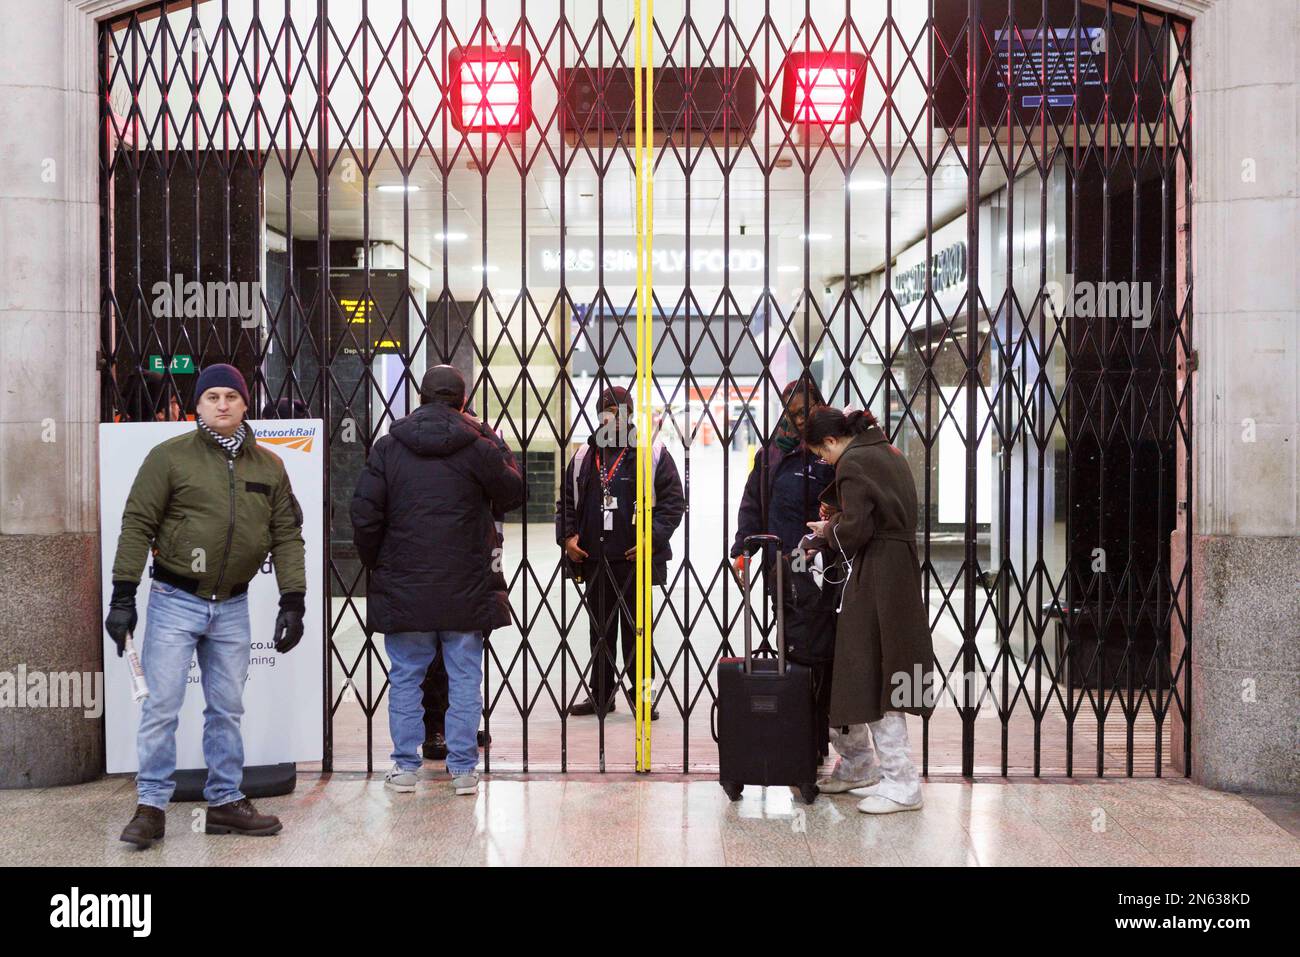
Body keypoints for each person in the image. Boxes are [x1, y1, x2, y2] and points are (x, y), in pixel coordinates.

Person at [106, 363, 307, 848]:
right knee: (161, 707)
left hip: (234, 606)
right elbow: (136, 524)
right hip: (176, 600)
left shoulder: (269, 466)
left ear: (244, 403)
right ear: (197, 405)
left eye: (231, 397)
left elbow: (286, 536)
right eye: (212, 396)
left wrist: (293, 600)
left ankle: (225, 802)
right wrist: (122, 596)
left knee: (226, 709)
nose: (222, 404)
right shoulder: (169, 458)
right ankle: (151, 806)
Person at [350, 365, 523, 795]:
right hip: (464, 583)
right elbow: (514, 494)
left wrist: (380, 563)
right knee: (464, 675)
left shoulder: (389, 447)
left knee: (406, 673)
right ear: (463, 401)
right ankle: (463, 770)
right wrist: (489, 433)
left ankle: (405, 767)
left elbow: (364, 514)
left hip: (405, 582)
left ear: (421, 397)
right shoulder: (479, 447)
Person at [802, 405, 934, 813]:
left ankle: (902, 781)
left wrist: (827, 531)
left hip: (877, 573)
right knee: (885, 669)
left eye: (821, 454)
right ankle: (875, 771)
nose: (824, 462)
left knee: (873, 671)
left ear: (830, 441)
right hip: (898, 570)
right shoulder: (886, 451)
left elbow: (857, 530)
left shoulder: (854, 462)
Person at [556, 386, 685, 719]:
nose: (611, 416)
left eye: (618, 410)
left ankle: (643, 696)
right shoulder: (585, 455)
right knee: (599, 632)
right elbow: (566, 502)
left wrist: (650, 540)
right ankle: (601, 695)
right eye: (606, 410)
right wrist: (568, 537)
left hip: (635, 561)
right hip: (594, 559)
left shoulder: (651, 452)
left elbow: (673, 504)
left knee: (637, 633)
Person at [731, 378, 836, 751]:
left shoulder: (831, 451)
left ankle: (822, 734)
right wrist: (743, 548)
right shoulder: (773, 453)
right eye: (793, 413)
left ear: (820, 405)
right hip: (783, 568)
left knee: (823, 650)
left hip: (825, 568)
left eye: (806, 410)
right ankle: (800, 731)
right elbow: (753, 503)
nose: (800, 419)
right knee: (792, 647)